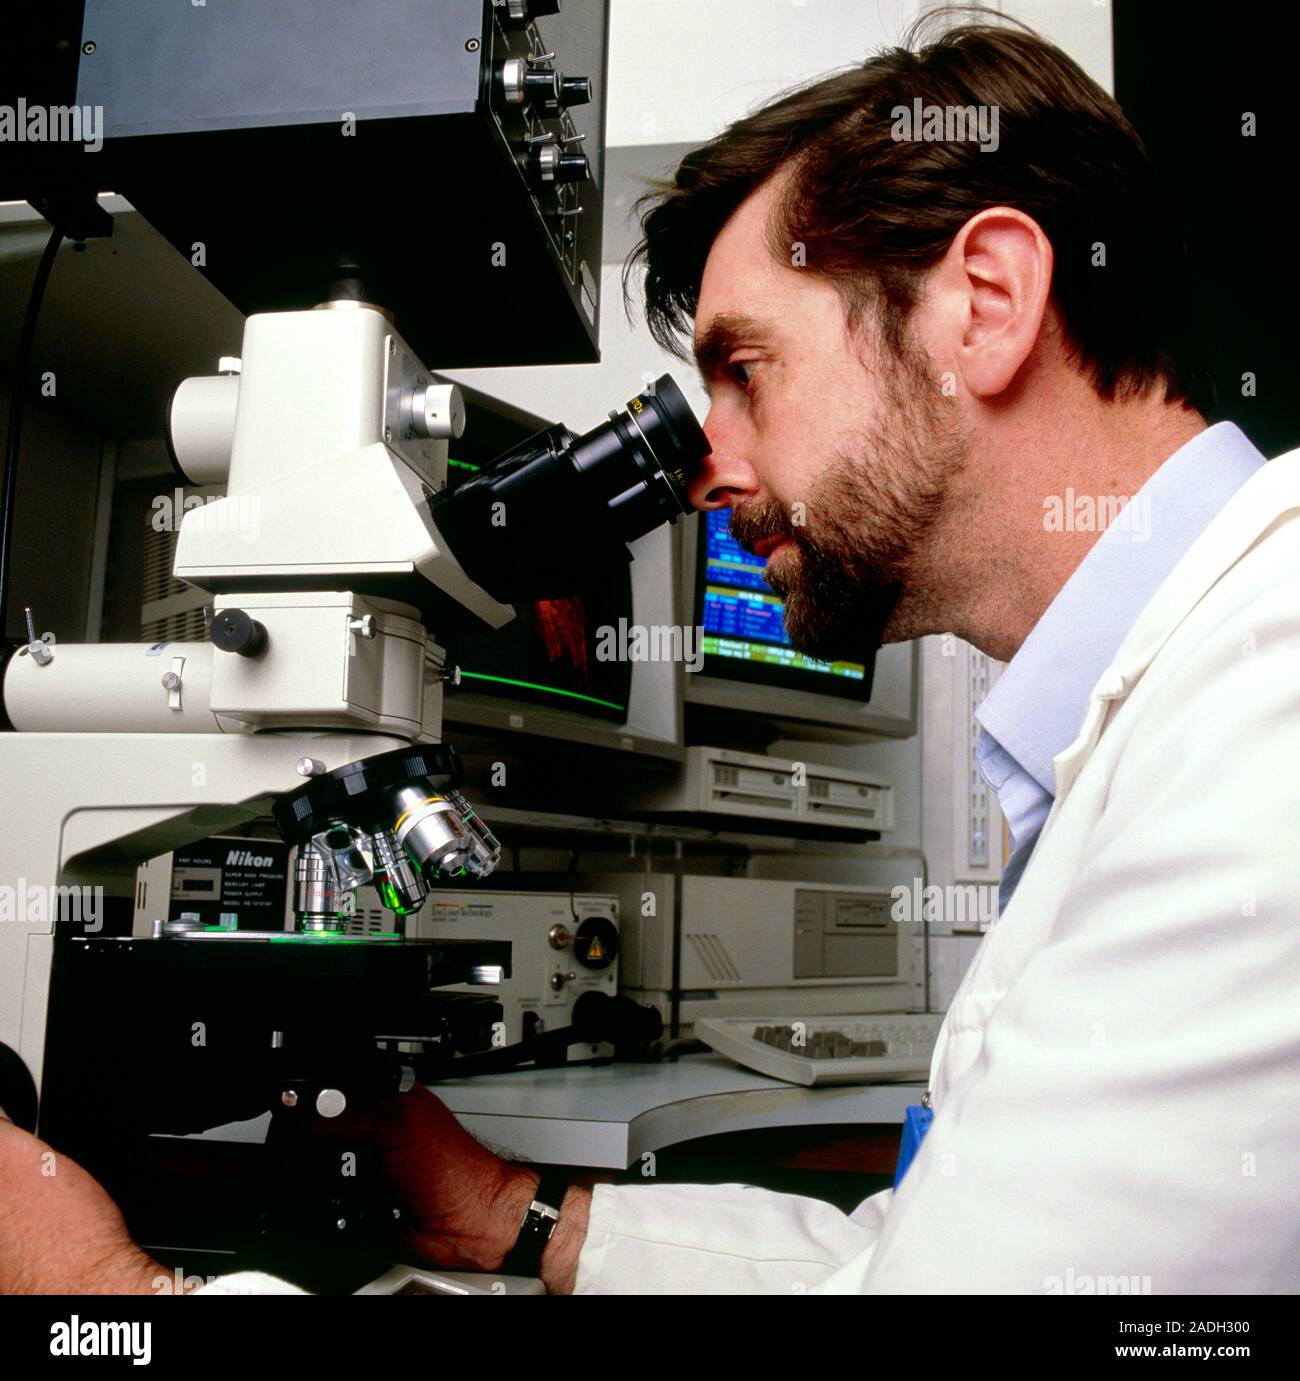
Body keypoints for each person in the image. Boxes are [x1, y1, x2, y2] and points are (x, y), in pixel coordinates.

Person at [3, 11, 1296, 1295]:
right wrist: (512, 1213)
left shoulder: (1260, 712)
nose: (704, 470)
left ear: (988, 303)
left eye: (746, 369)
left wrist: (113, 1297)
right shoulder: (1177, 707)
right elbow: (912, 1264)